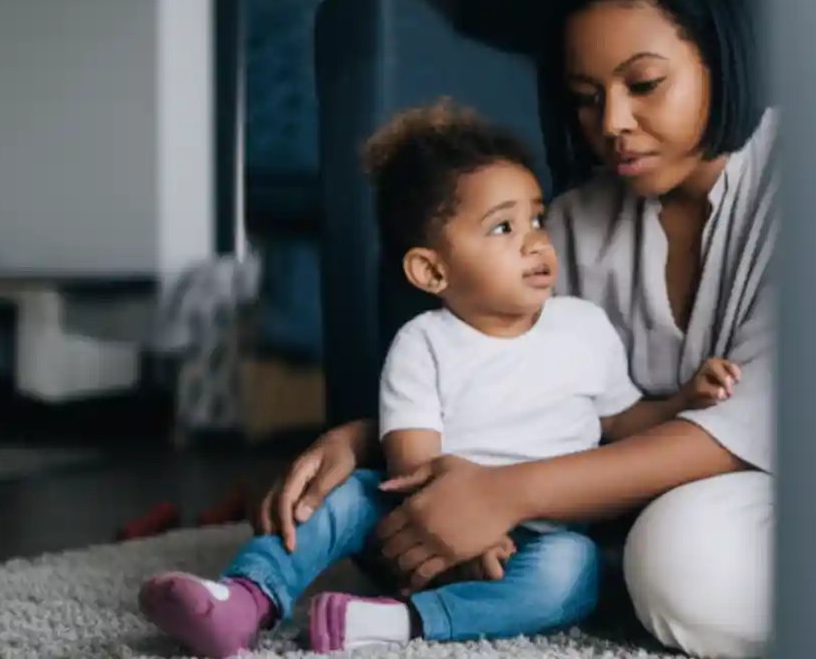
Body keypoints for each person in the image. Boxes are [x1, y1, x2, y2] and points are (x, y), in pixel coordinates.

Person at [255, 0, 777, 657]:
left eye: (645, 84)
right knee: (421, 527)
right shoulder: (569, 226)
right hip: (653, 501)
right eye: (587, 99)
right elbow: (501, 370)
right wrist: (364, 437)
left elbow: (757, 426)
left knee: (682, 562)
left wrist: (511, 494)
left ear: (719, 58)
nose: (612, 123)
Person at [136, 102, 737, 658]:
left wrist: (685, 400)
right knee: (340, 499)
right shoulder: (424, 343)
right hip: (422, 519)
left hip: (534, 535)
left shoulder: (584, 327)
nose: (535, 241)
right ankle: (244, 597)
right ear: (431, 269)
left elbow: (622, 422)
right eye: (504, 228)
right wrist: (459, 535)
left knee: (572, 573)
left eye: (536, 217)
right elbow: (411, 461)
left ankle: (394, 623)